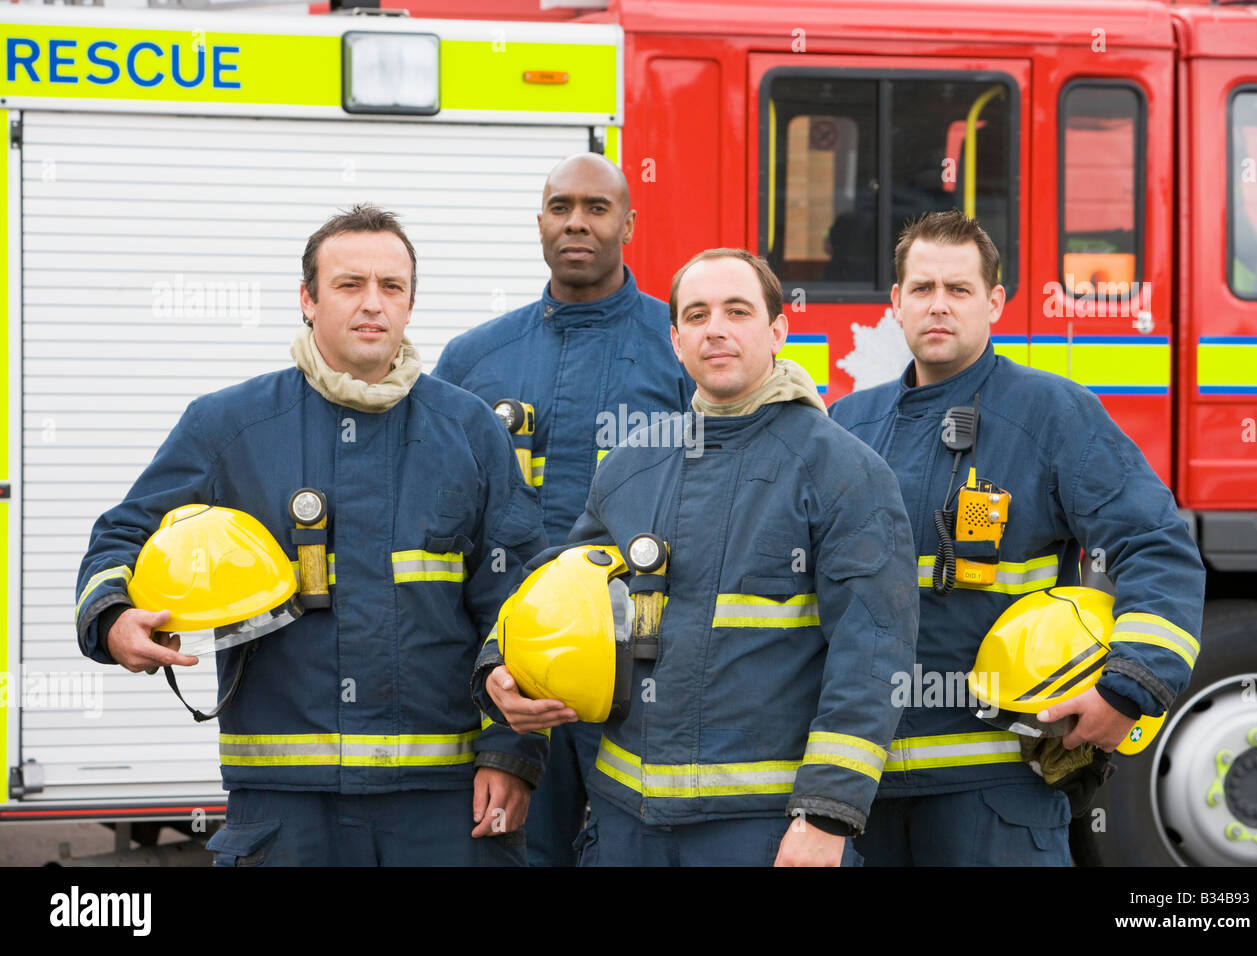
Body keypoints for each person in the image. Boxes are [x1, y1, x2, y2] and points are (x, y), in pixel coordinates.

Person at [74, 204, 547, 866]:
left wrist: (512, 755)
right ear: (307, 298)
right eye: (350, 285)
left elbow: (523, 601)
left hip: (444, 803)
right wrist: (115, 617)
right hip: (284, 809)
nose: (372, 304)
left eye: (392, 287)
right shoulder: (227, 427)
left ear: (411, 304)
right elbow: (121, 537)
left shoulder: (469, 432)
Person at [475, 248, 918, 866]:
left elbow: (872, 657)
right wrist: (499, 664)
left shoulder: (844, 472)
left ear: (777, 330)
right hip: (627, 829)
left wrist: (826, 815)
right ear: (676, 341)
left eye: (737, 311)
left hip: (762, 832)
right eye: (698, 314)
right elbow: (559, 590)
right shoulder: (631, 466)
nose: (717, 328)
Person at [829, 209, 1205, 865]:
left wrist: (1128, 689)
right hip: (862, 787)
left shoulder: (1052, 413)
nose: (938, 306)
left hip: (996, 792)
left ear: (995, 301)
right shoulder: (847, 424)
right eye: (922, 289)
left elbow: (1157, 546)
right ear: (895, 302)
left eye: (959, 289)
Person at [434, 153, 693, 866]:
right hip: (512, 683)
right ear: (540, 220)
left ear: (630, 225)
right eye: (560, 206)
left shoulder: (679, 352)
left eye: (597, 207)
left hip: (644, 686)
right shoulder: (473, 360)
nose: (576, 222)